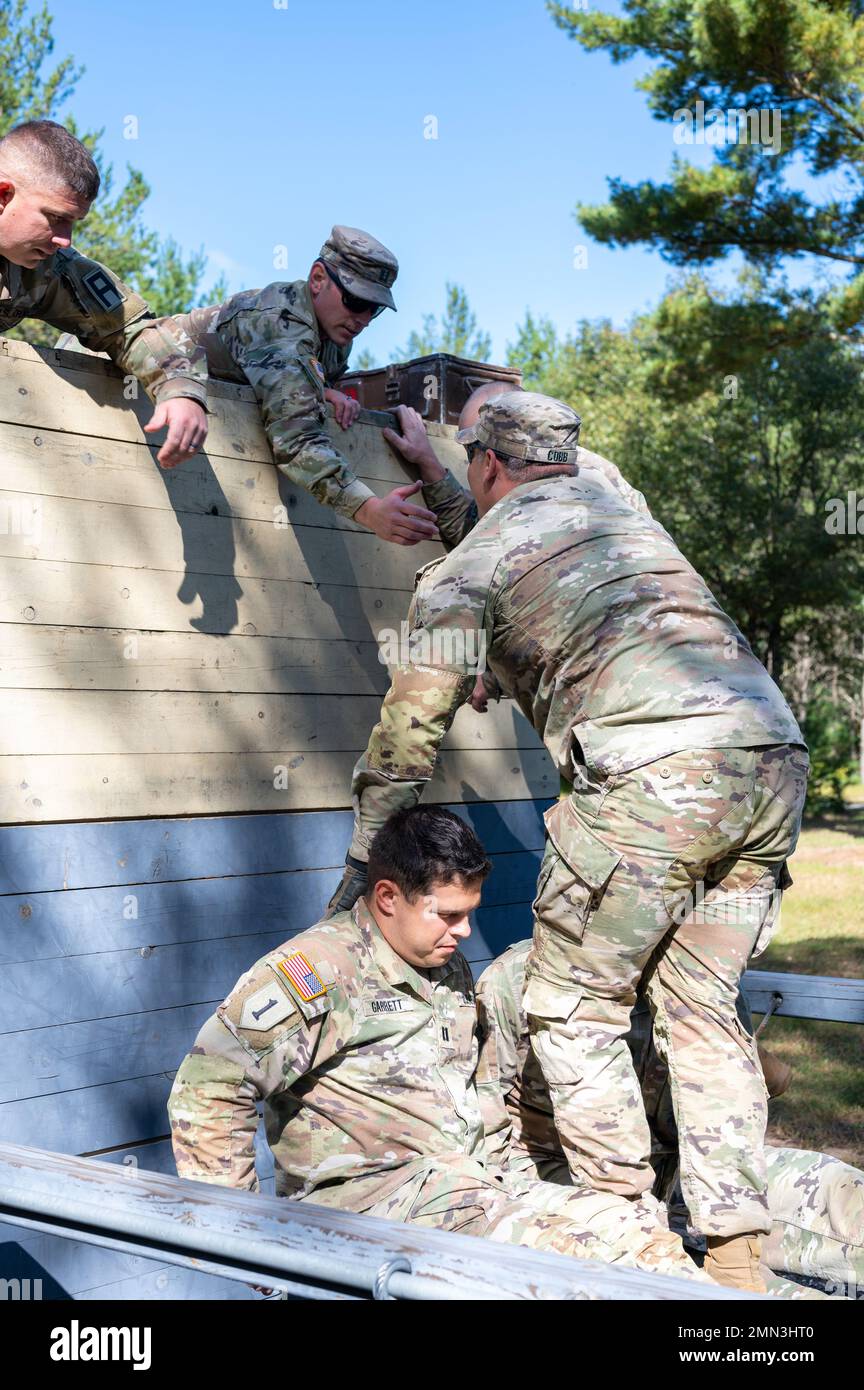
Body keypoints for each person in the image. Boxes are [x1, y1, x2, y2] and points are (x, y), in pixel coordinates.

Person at [329, 390, 809, 1291]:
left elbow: (406, 740)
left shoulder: (470, 568)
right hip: (771, 759)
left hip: (652, 782)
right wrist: (441, 485)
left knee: (573, 1009)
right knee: (702, 1010)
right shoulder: (623, 515)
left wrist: (363, 859)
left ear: (490, 464)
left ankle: (637, 1254)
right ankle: (741, 1258)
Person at [168, 806, 708, 1284]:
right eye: (448, 914)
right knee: (575, 1263)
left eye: (469, 912)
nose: (465, 931)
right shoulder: (321, 971)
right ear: (386, 898)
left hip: (471, 1179)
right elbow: (209, 1086)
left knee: (638, 1235)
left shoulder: (443, 964)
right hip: (373, 1206)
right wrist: (240, 1239)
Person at [476, 939, 863, 1300]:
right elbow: (487, 1130)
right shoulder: (518, 979)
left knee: (837, 1191)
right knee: (716, 1280)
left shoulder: (701, 977)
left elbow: (736, 1106)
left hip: (687, 1170)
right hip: (567, 1185)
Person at [155, 226, 440, 545]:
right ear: (317, 278)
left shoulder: (336, 331)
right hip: (156, 378)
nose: (364, 319)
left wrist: (324, 390)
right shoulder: (280, 323)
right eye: (356, 301)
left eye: (375, 309)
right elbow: (296, 438)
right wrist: (370, 510)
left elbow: (296, 380)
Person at [0, 119, 207, 467]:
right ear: (4, 195)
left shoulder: (47, 265)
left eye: (73, 223)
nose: (65, 240)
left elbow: (129, 328)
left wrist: (181, 389)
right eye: (54, 217)